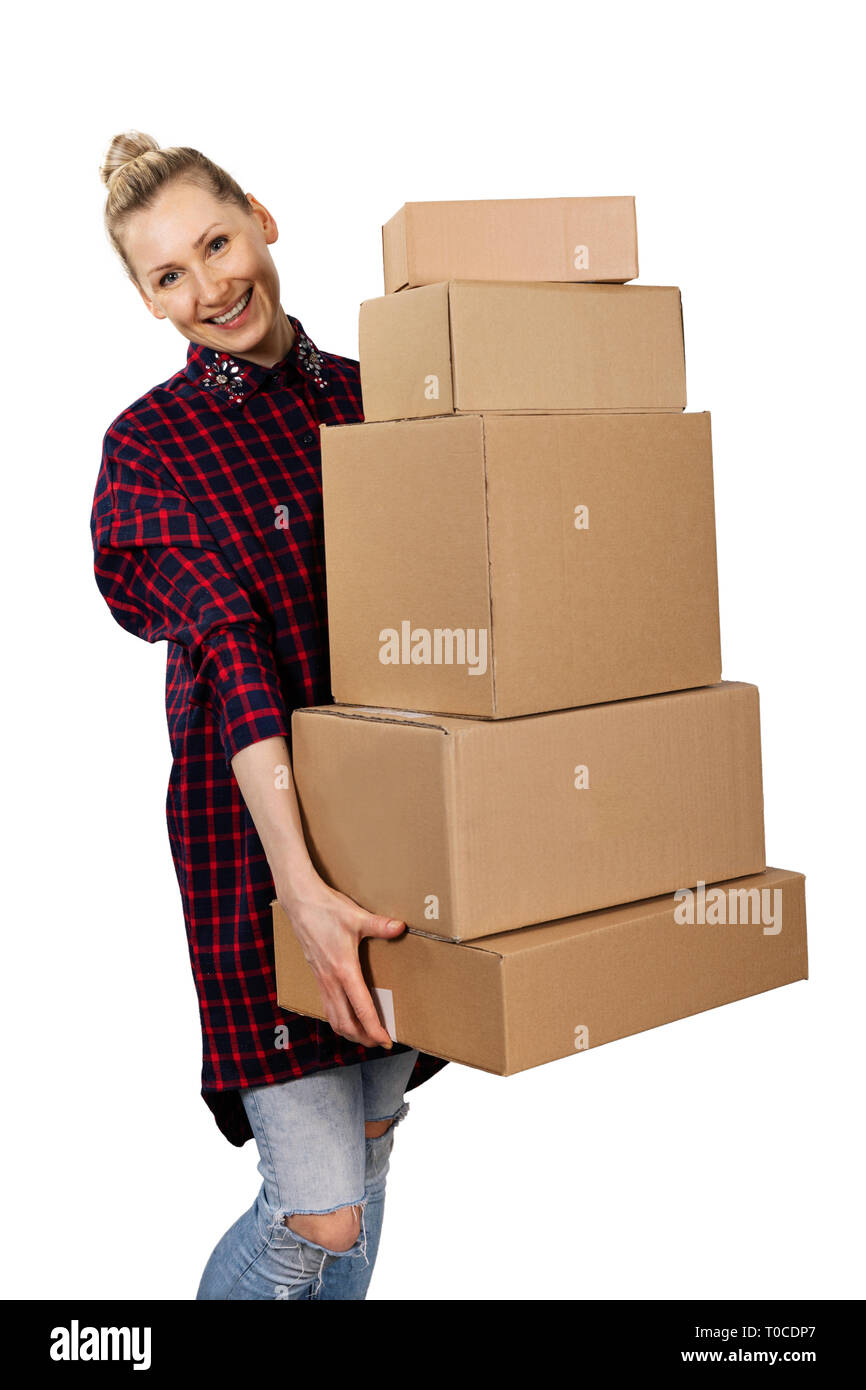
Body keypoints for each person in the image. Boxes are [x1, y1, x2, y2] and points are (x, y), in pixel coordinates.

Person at [90, 131, 450, 1300]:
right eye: (169, 276)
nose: (210, 287)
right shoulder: (147, 450)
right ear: (146, 302)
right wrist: (298, 885)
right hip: (256, 854)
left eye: (216, 242)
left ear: (261, 218)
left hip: (393, 834)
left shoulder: (373, 396)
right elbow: (234, 655)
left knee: (375, 1148)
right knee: (320, 1216)